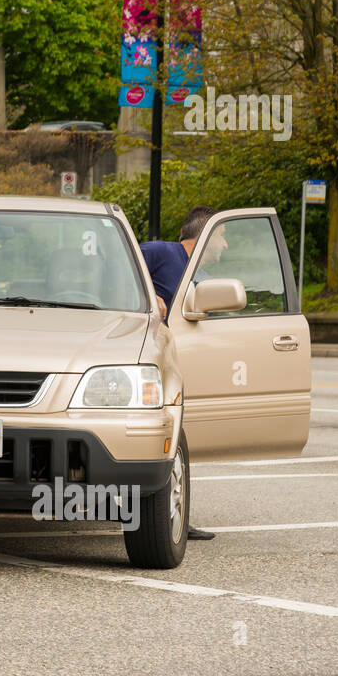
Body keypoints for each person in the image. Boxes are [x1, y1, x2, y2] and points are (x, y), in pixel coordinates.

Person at [139, 205, 228, 543]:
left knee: (180, 443)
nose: (225, 246)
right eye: (222, 237)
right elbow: (120, 264)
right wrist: (151, 297)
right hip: (149, 367)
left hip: (179, 365)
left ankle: (174, 516)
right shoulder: (162, 251)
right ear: (204, 236)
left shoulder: (197, 278)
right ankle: (162, 518)